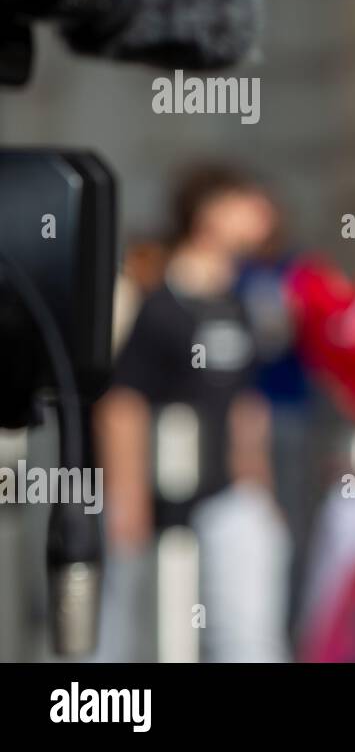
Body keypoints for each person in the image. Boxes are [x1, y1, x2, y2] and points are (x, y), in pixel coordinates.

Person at [95, 162, 290, 661]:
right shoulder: (160, 304)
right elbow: (123, 403)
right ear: (209, 212)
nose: (262, 213)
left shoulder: (239, 304)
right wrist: (127, 498)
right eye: (245, 201)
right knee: (131, 635)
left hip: (223, 493)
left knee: (247, 634)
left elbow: (246, 405)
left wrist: (258, 487)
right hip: (159, 502)